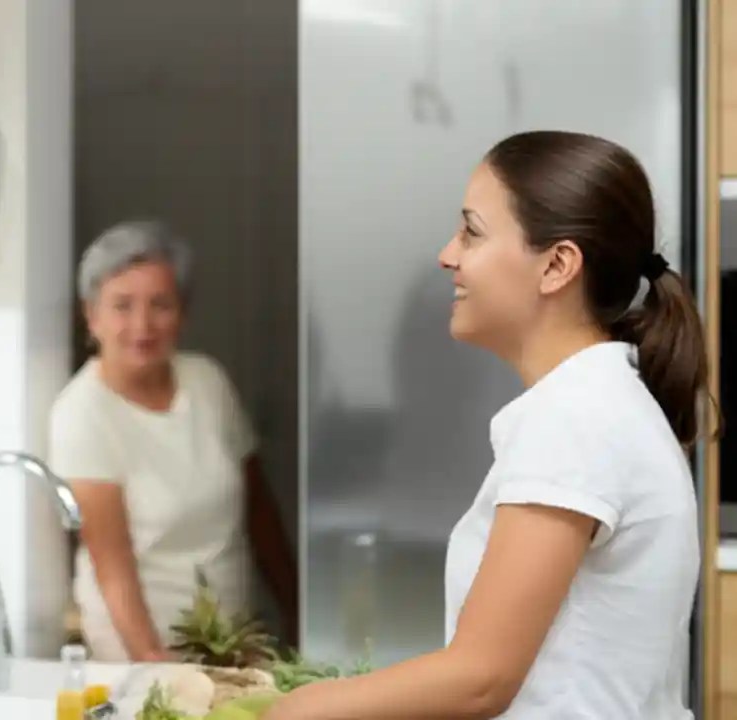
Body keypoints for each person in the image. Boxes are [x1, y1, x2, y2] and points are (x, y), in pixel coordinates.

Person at [265, 130, 710, 720]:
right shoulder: (596, 402)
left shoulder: (577, 417)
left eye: (471, 232)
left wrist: (298, 709)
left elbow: (481, 678)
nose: (447, 255)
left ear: (557, 265)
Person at [48, 220, 299, 663]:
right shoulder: (82, 413)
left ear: (182, 312)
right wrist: (154, 663)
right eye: (122, 305)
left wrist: (296, 607)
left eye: (160, 304)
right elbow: (113, 570)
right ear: (92, 315)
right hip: (141, 651)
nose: (142, 324)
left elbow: (260, 512)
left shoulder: (207, 381)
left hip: (234, 642)